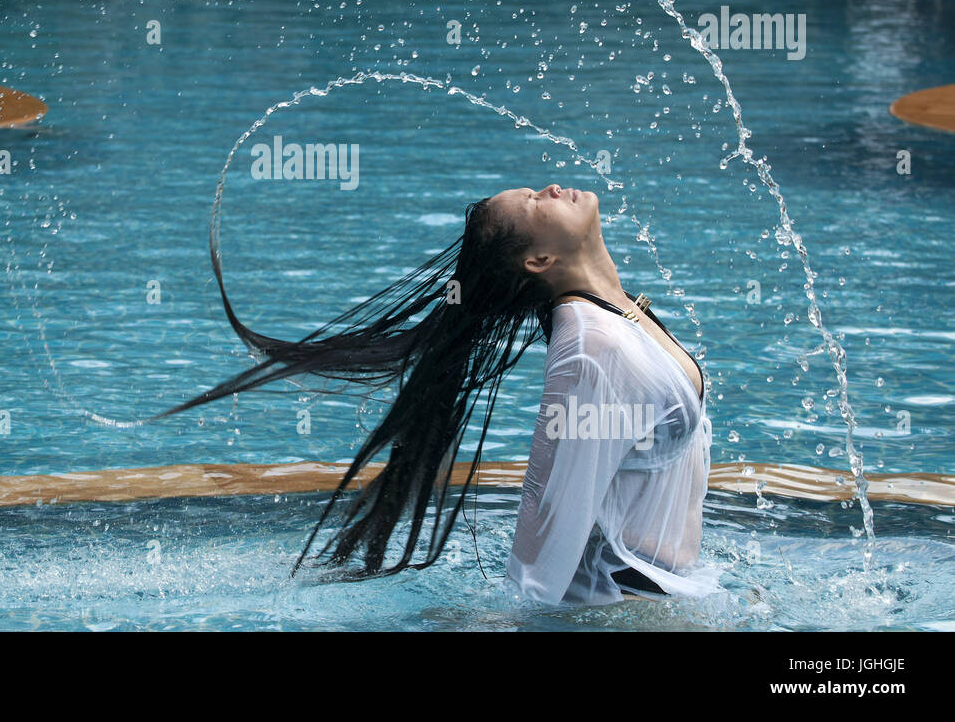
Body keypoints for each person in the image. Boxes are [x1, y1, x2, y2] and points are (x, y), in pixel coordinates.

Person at [154, 184, 724, 605]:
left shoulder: (619, 315)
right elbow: (548, 512)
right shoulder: (591, 351)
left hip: (662, 598)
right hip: (628, 608)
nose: (549, 188)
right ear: (539, 260)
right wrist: (512, 617)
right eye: (533, 203)